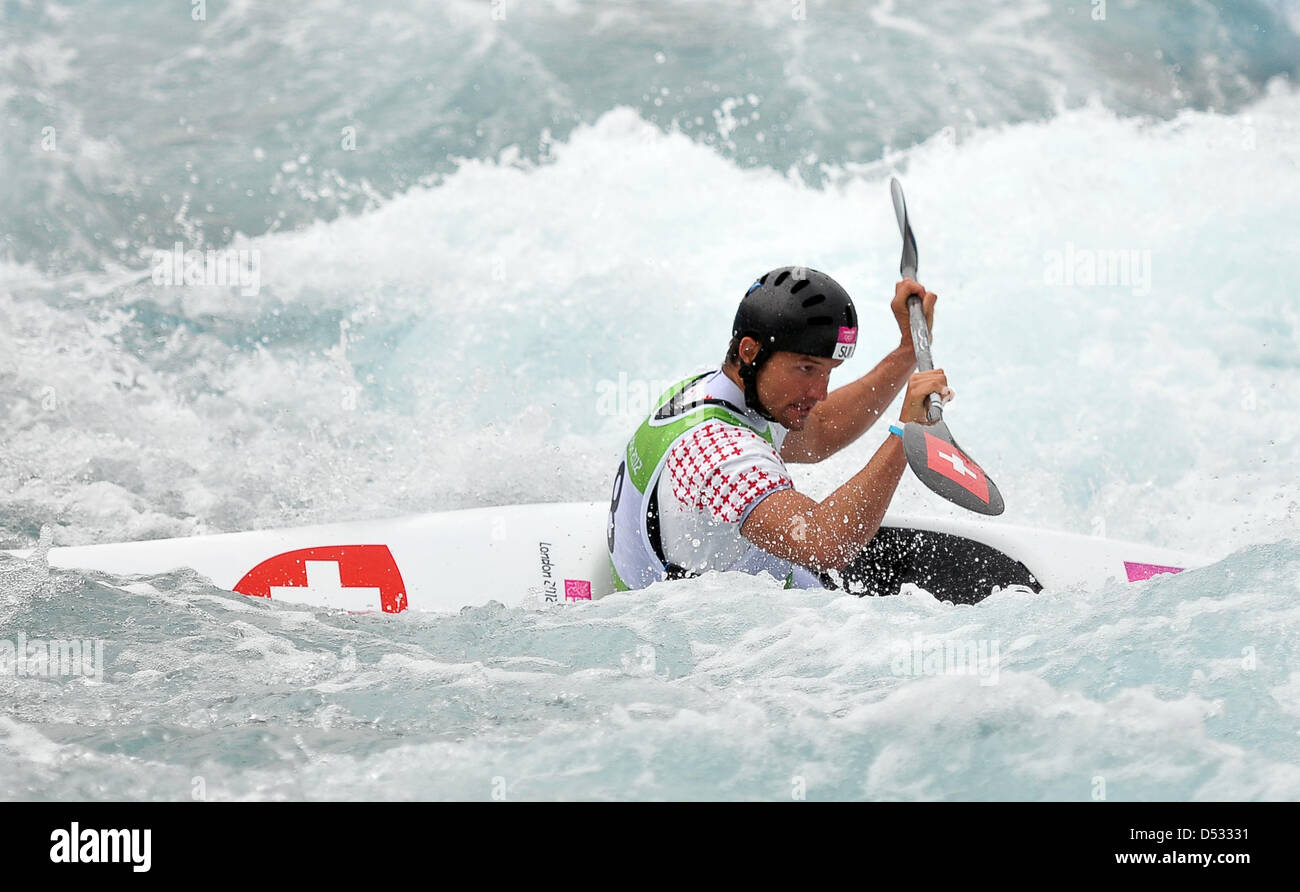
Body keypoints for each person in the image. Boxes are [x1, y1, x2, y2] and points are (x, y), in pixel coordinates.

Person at [606, 265, 948, 592]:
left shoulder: (714, 389)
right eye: (806, 368)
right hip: (691, 635)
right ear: (750, 351)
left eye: (829, 371)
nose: (820, 392)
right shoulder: (722, 454)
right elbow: (825, 545)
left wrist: (907, 352)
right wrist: (907, 431)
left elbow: (821, 430)